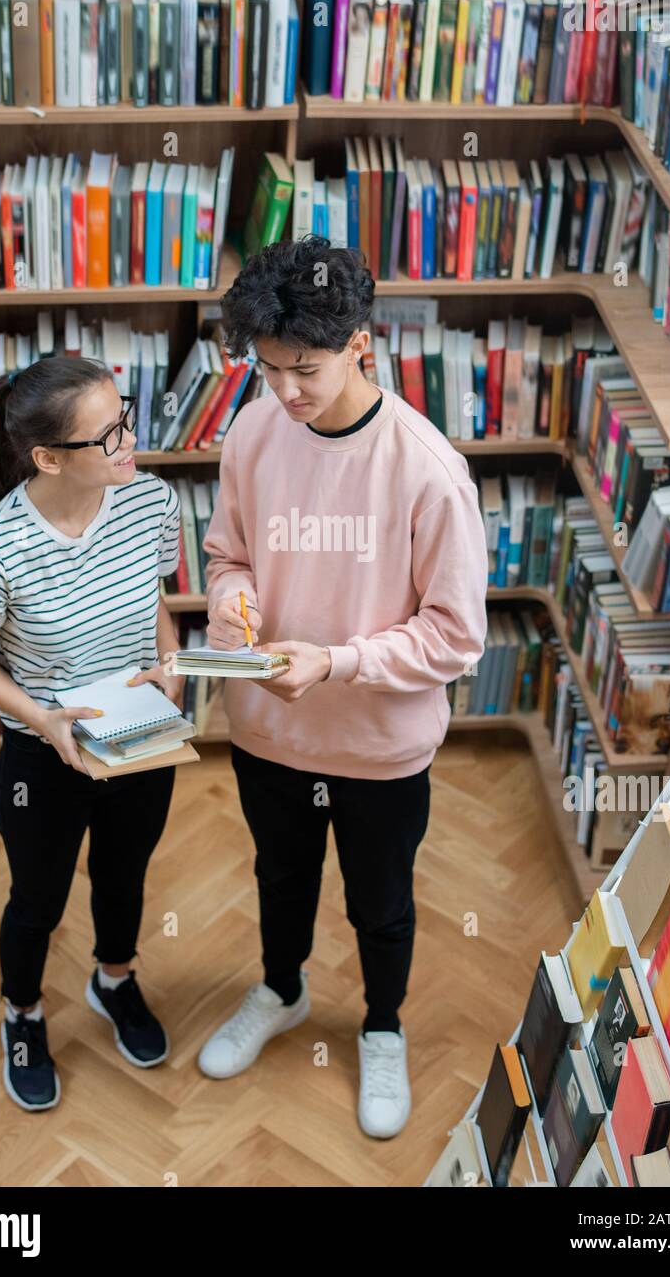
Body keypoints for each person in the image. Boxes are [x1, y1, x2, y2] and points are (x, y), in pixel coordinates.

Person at [198, 236, 488, 1138]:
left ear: (361, 341)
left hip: (377, 747)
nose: (284, 392)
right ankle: (282, 990)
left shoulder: (428, 472)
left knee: (381, 903)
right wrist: (235, 607)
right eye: (266, 368)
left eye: (306, 371)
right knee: (279, 880)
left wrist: (336, 661)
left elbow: (456, 636)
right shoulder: (251, 431)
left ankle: (383, 1026)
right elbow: (227, 556)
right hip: (267, 733)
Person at [0, 358, 184, 1112]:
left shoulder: (152, 502)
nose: (130, 440)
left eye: (128, 416)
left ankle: (114, 978)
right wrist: (43, 719)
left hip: (138, 730)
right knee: (37, 899)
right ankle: (23, 1013)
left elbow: (154, 599)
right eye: (107, 434)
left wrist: (170, 663)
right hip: (42, 753)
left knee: (125, 874)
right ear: (47, 458)